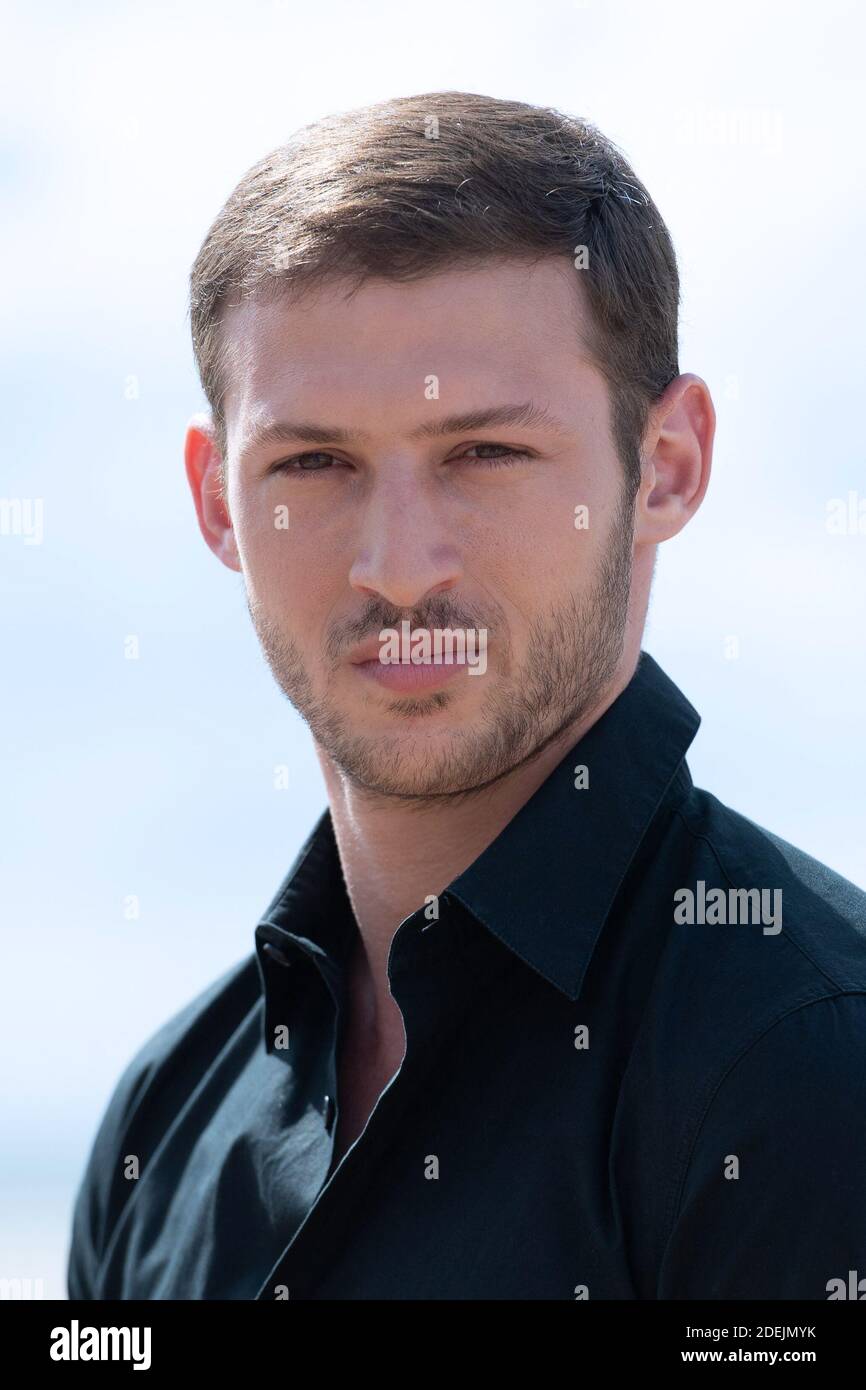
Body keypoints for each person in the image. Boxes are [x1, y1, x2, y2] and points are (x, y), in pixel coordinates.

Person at [67, 90, 866, 1301]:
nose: (395, 567)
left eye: (482, 453)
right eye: (314, 462)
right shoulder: (163, 1125)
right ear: (220, 502)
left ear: (665, 467)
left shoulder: (812, 1063)